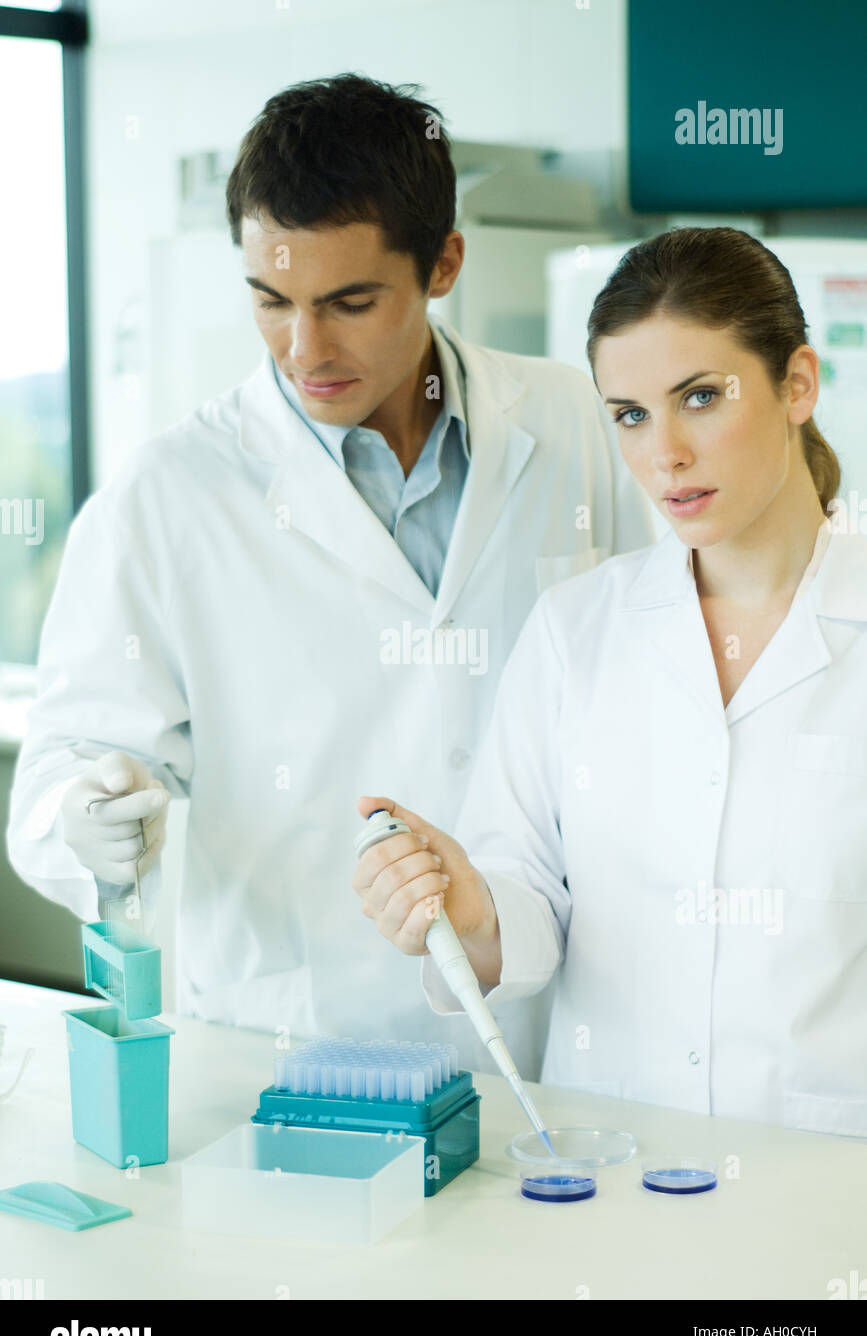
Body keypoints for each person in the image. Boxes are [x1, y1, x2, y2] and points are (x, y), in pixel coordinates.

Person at [5, 74, 653, 1076]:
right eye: (272, 301)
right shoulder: (166, 497)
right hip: (290, 1049)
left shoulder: (575, 423)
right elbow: (59, 774)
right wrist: (83, 822)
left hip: (548, 1030)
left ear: (443, 264)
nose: (305, 349)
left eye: (350, 302)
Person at [353, 225, 867, 1137]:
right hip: (612, 1169)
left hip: (831, 1180)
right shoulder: (575, 630)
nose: (662, 452)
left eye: (700, 398)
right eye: (629, 413)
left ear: (796, 383)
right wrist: (471, 905)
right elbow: (525, 892)